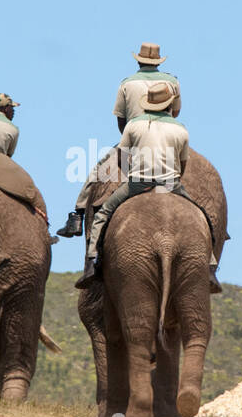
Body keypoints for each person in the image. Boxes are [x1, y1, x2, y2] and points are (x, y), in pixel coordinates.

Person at [76, 81, 216, 287]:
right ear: (169, 105)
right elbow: (182, 164)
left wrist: (128, 177)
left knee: (102, 214)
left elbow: (122, 156)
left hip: (138, 183)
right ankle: (211, 266)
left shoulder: (134, 125)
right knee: (202, 216)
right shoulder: (180, 129)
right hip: (170, 183)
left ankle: (91, 262)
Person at [56, 43, 180, 237]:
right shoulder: (172, 81)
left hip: (135, 137)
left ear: (138, 60)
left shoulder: (126, 83)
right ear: (158, 61)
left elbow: (121, 119)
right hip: (169, 138)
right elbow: (177, 113)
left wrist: (131, 135)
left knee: (98, 171)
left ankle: (78, 216)